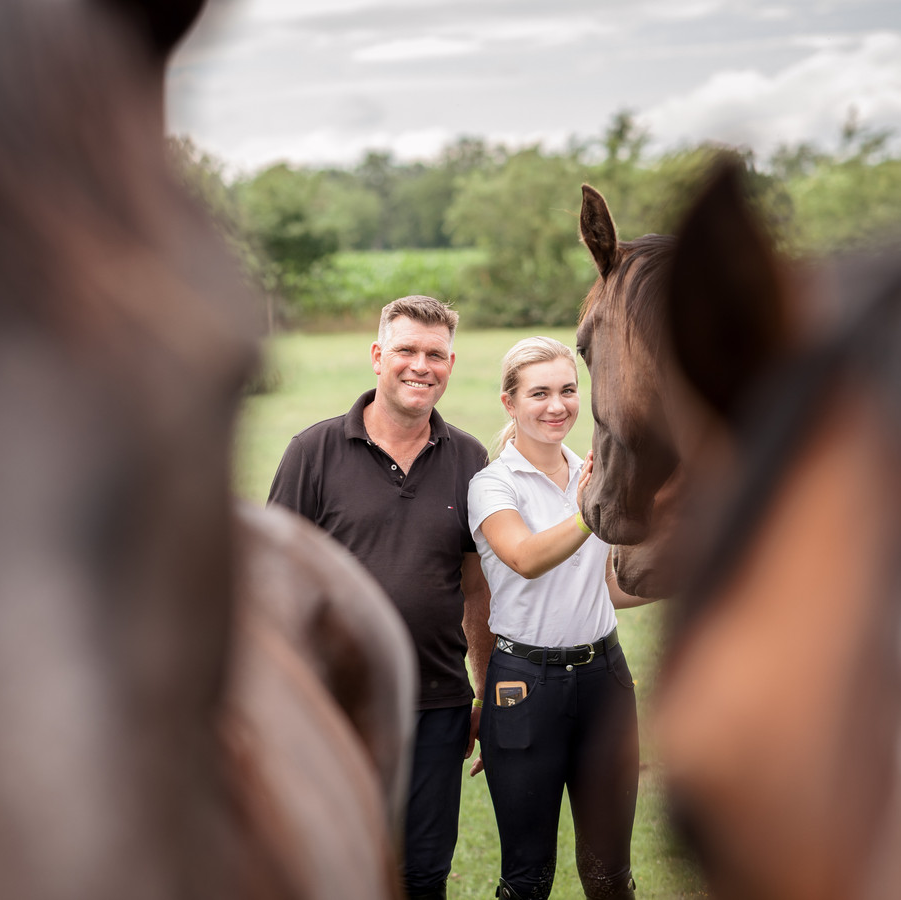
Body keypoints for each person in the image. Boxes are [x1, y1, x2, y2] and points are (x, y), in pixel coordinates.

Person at [267, 295, 494, 900]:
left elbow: (477, 589)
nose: (421, 366)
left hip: (439, 706)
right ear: (376, 356)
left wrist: (487, 690)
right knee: (334, 873)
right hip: (335, 710)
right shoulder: (312, 453)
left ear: (451, 363)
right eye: (406, 351)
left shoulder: (471, 459)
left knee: (423, 876)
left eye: (435, 355)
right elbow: (274, 587)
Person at [467, 336, 654, 900]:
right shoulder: (492, 484)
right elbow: (524, 559)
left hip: (606, 681)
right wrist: (588, 508)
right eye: (540, 393)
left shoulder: (592, 472)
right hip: (524, 690)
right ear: (509, 403)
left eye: (569, 391)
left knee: (610, 876)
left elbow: (601, 588)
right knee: (527, 879)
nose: (557, 406)